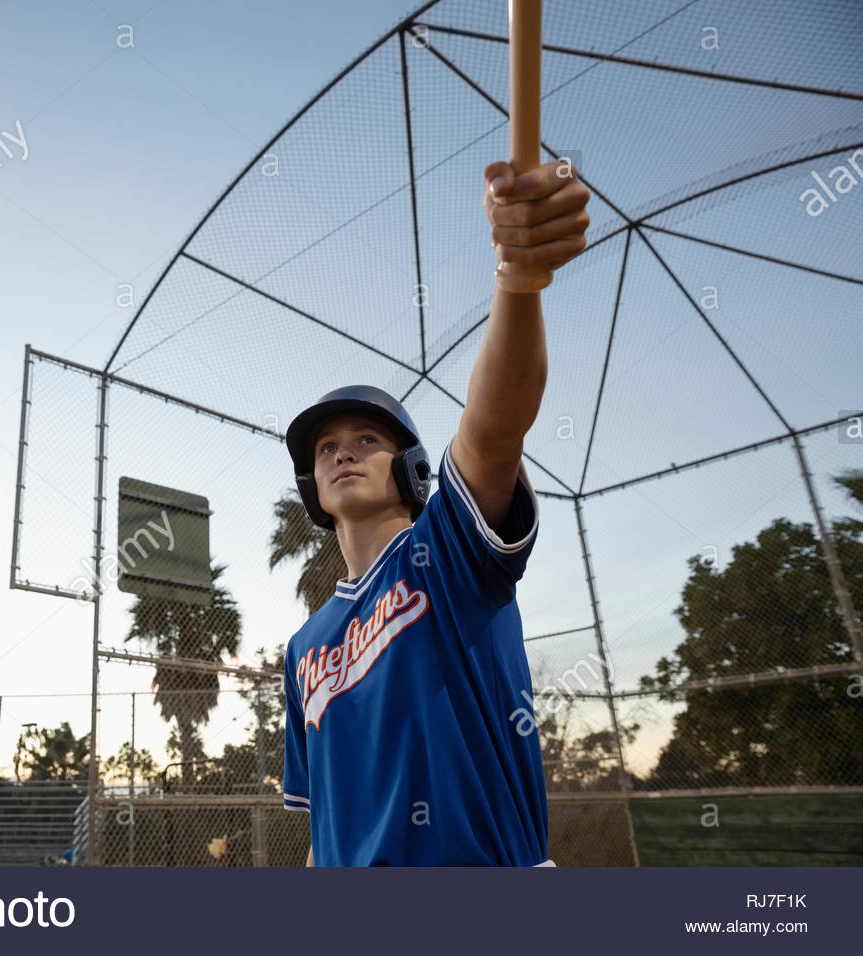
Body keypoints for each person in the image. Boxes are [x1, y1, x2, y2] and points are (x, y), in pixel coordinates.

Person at [281, 159, 590, 866]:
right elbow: (321, 826)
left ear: (414, 469)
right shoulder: (304, 650)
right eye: (326, 447)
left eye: (367, 439)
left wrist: (518, 275)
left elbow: (494, 425)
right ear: (314, 489)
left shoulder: (447, 553)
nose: (342, 453)